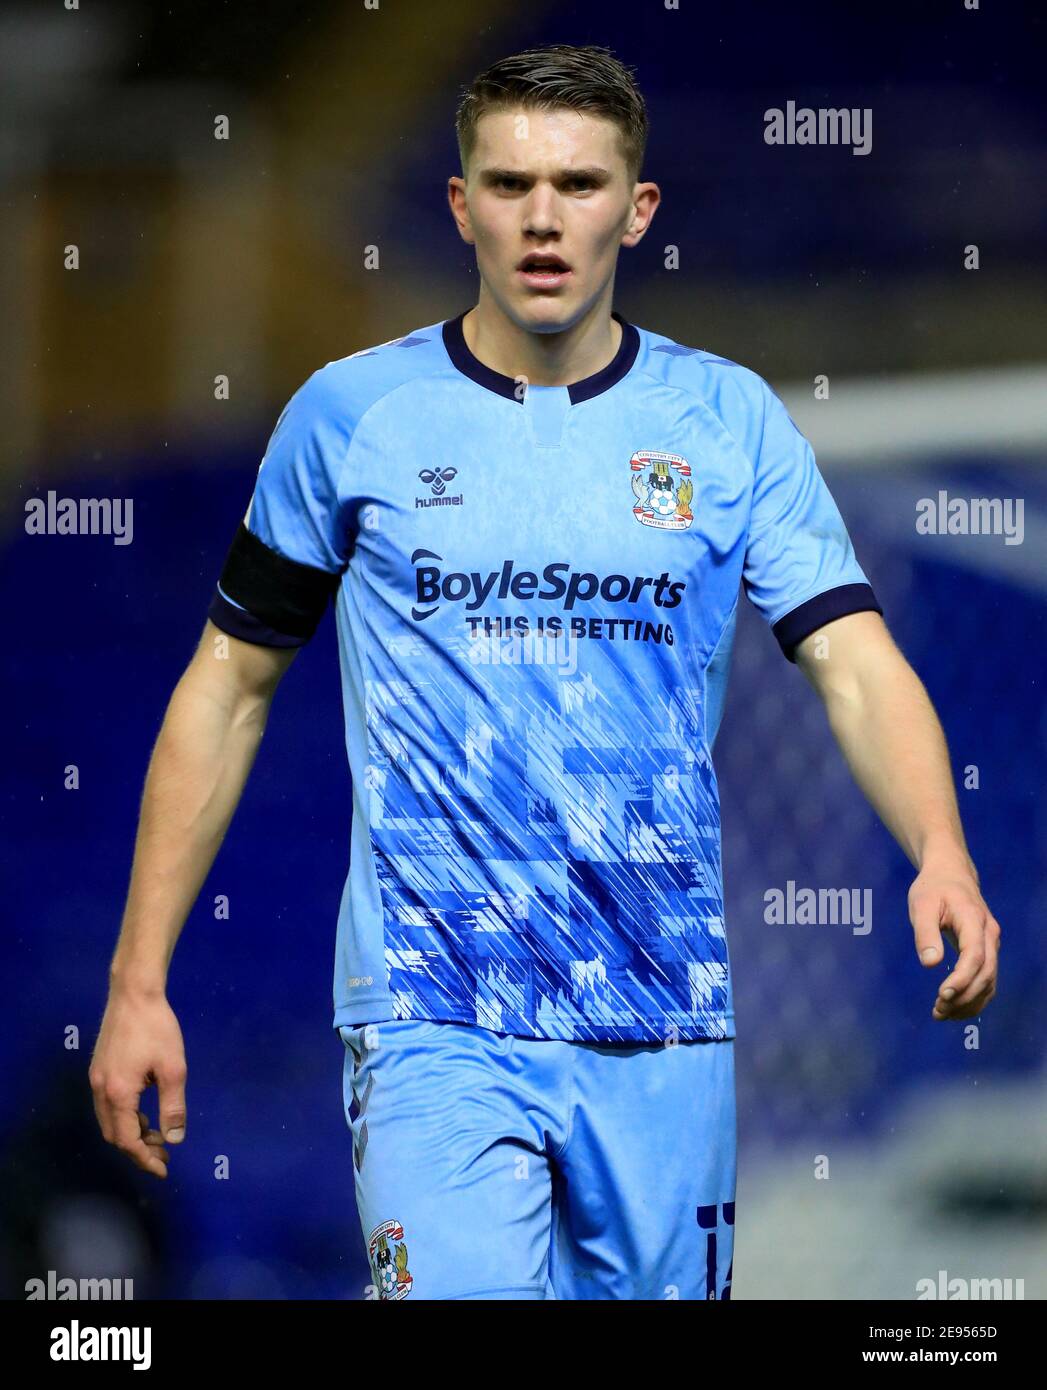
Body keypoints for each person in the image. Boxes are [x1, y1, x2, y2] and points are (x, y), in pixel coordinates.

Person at [89, 43, 1000, 1300]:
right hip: (431, 1018)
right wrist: (140, 982)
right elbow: (226, 688)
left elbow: (852, 659)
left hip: (666, 1014)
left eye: (578, 184)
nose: (543, 219)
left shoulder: (725, 425)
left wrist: (941, 850)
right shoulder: (351, 419)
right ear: (461, 205)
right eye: (510, 184)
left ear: (638, 210)